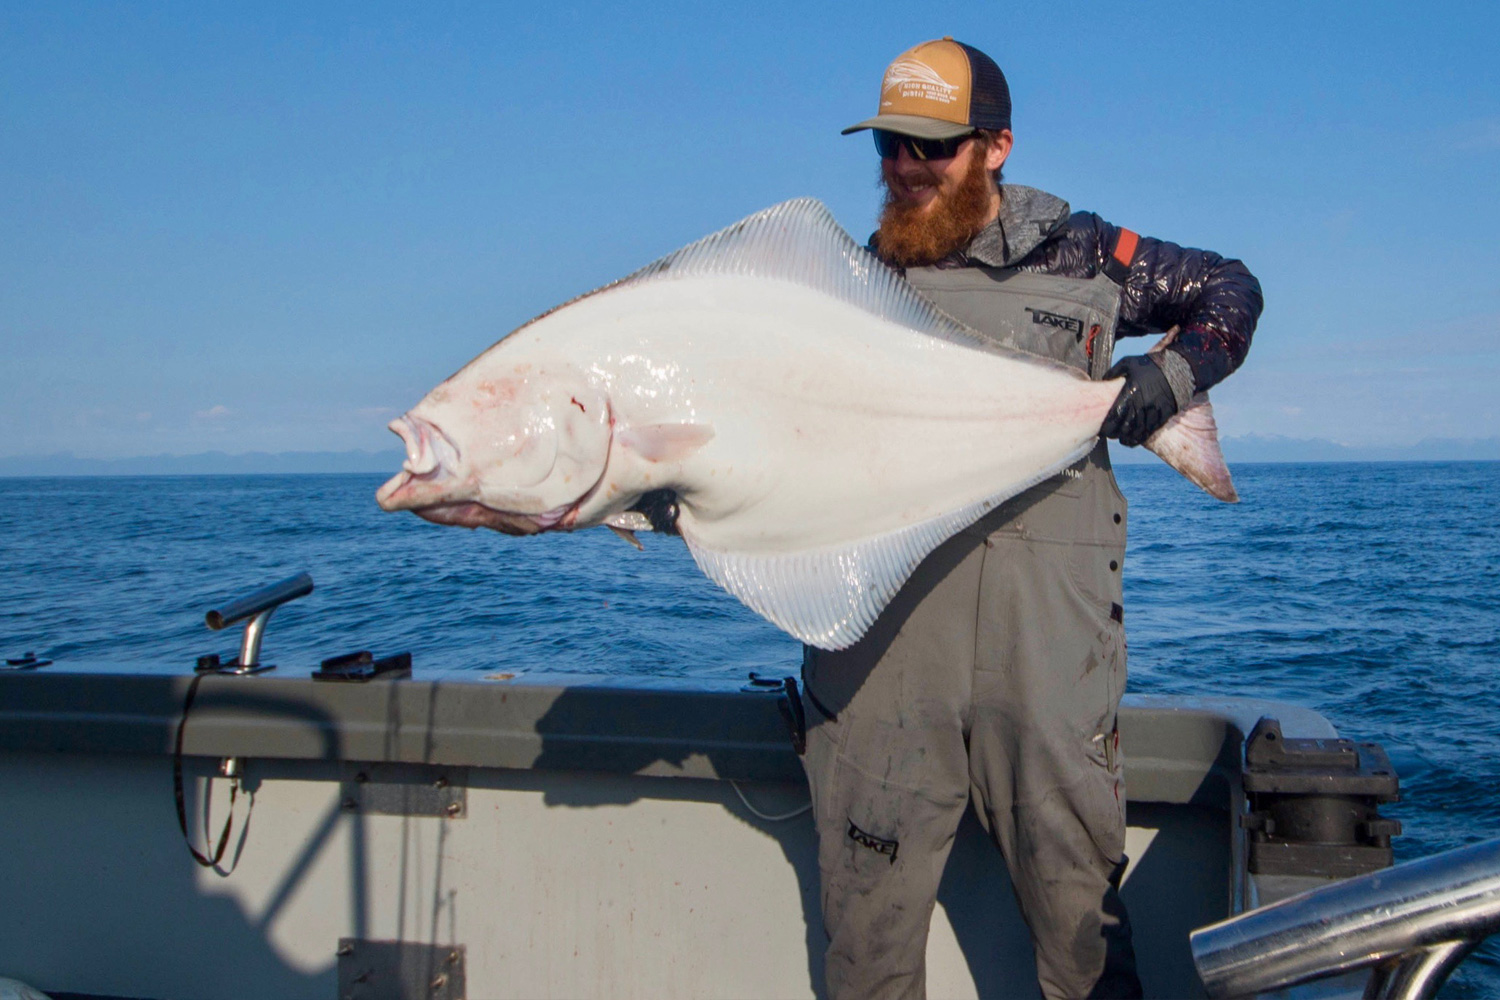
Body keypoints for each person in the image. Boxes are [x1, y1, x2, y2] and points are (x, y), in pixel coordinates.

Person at [798, 38, 1262, 999]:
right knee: (865, 956)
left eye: (933, 148)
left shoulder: (1084, 253)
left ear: (996, 146)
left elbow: (1230, 290)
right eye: (889, 146)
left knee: (1083, 945)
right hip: (877, 666)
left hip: (1050, 666)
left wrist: (1165, 379)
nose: (904, 169)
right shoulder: (843, 287)